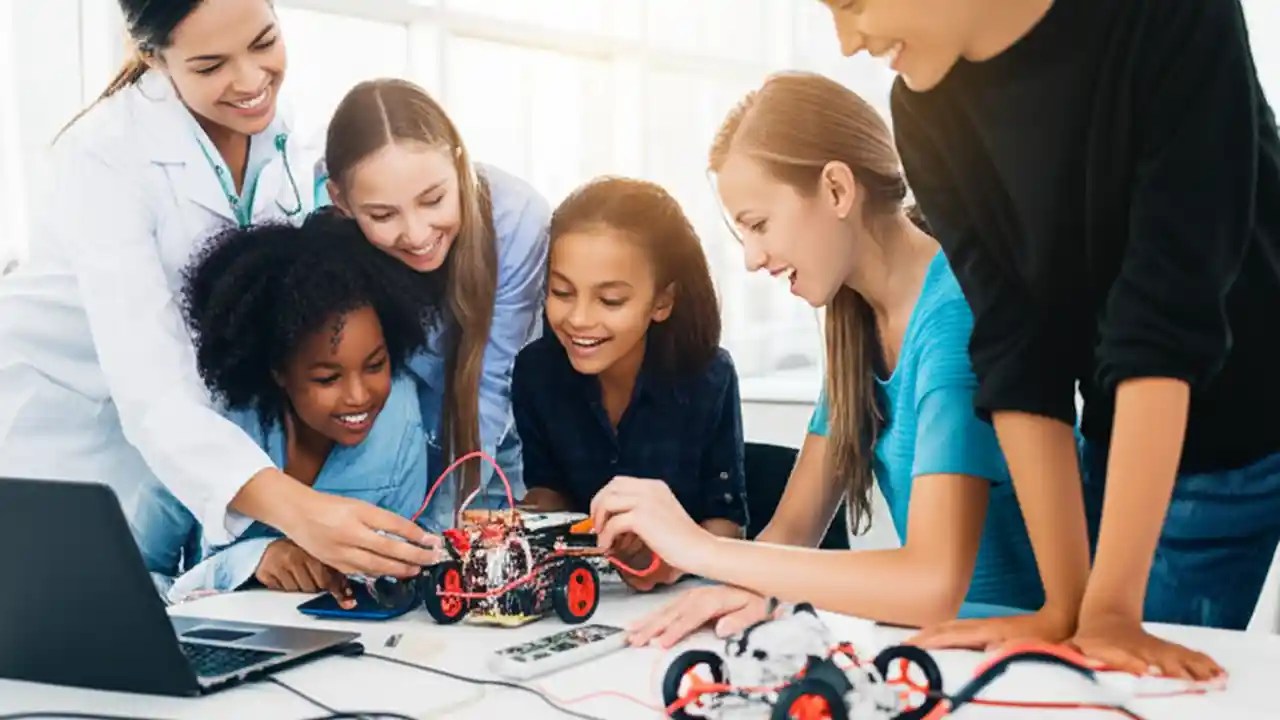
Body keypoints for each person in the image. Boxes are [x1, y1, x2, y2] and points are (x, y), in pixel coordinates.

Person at [823, 0, 1280, 680]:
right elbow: (1015, 345)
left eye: (852, 2)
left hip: (1237, 414)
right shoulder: (926, 111)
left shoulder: (1175, 15)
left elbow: (1164, 309)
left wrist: (1114, 609)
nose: (845, 42)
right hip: (1127, 425)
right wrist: (1068, 604)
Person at [589, 71, 1042, 647]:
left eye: (758, 225)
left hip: (1034, 664)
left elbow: (932, 583)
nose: (752, 258)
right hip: (950, 653)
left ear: (836, 190)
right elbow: (792, 535)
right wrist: (692, 564)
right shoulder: (856, 322)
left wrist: (702, 547)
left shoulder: (956, 315)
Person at [0, 0, 439, 583]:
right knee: (64, 631)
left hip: (176, 444)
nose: (251, 80)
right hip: (64, 433)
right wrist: (302, 513)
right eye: (210, 66)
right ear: (155, 58)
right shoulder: (106, 158)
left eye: (264, 43)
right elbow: (154, 395)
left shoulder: (281, 140)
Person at [153, 211, 447, 603]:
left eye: (376, 365)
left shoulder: (400, 417)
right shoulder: (210, 426)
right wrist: (253, 560)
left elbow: (397, 578)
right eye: (327, 378)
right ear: (278, 371)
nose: (359, 395)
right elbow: (139, 574)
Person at [320, 79, 551, 525]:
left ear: (459, 162)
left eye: (434, 200)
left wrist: (437, 526)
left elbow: (490, 383)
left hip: (481, 448)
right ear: (341, 202)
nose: (418, 233)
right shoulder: (321, 223)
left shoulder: (517, 220)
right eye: (383, 215)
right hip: (384, 447)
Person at [512, 177, 749, 592]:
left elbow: (726, 524)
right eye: (562, 291)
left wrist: (672, 561)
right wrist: (524, 522)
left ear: (662, 302)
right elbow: (548, 491)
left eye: (610, 301)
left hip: (682, 595)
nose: (579, 318)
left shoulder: (709, 376)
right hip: (586, 593)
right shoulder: (535, 372)